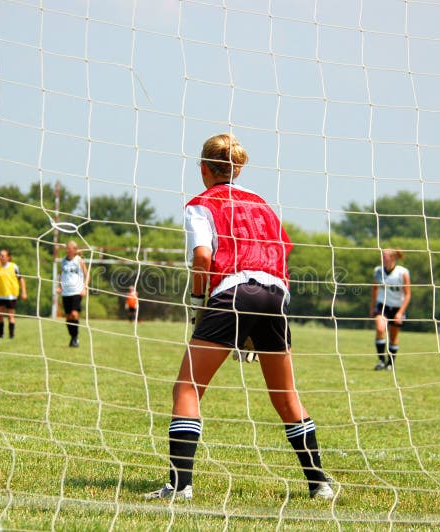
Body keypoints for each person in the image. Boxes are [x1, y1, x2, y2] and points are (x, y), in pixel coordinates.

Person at [144, 133, 334, 501]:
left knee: (187, 388)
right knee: (285, 395)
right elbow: (281, 252)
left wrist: (200, 303)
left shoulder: (201, 204)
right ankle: (319, 484)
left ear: (203, 168)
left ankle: (180, 486)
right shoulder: (262, 203)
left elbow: (203, 258)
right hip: (275, 292)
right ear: (239, 167)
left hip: (233, 291)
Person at [371, 248, 411, 371]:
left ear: (392, 258)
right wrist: (372, 306)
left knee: (393, 337)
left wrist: (400, 312)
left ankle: (390, 364)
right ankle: (381, 361)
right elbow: (375, 289)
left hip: (397, 307)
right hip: (382, 305)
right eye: (382, 256)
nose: (382, 258)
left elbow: (408, 294)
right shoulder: (378, 271)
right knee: (380, 328)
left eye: (384, 256)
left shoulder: (402, 272)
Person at [59, 240, 89, 348]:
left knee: (74, 314)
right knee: (68, 317)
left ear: (74, 250)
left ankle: (75, 338)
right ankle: (72, 337)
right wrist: (59, 286)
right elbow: (61, 275)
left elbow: (87, 274)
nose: (67, 249)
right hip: (66, 292)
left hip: (77, 291)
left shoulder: (79, 260)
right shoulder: (63, 261)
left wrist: (84, 288)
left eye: (69, 248)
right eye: (66, 247)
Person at [0, 249, 27, 339]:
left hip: (11, 295)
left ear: (8, 257)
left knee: (10, 315)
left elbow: (21, 279)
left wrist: (24, 292)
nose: (1, 257)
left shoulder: (13, 266)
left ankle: (11, 335)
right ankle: (1, 334)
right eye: (0, 255)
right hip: (0, 294)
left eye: (3, 256)